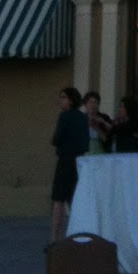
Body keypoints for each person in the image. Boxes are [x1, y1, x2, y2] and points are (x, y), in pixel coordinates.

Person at [50, 85, 89, 243]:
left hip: (65, 160)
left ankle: (54, 238)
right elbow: (85, 143)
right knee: (74, 199)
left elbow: (56, 139)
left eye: (63, 97)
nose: (61, 101)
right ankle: (79, 235)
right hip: (78, 161)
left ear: (71, 100)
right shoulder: (82, 118)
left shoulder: (64, 117)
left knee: (58, 199)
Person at [82, 91, 112, 156]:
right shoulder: (81, 118)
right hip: (84, 152)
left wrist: (95, 126)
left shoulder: (104, 118)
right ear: (85, 104)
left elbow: (106, 140)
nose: (93, 105)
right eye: (90, 102)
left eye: (95, 102)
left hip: (100, 152)